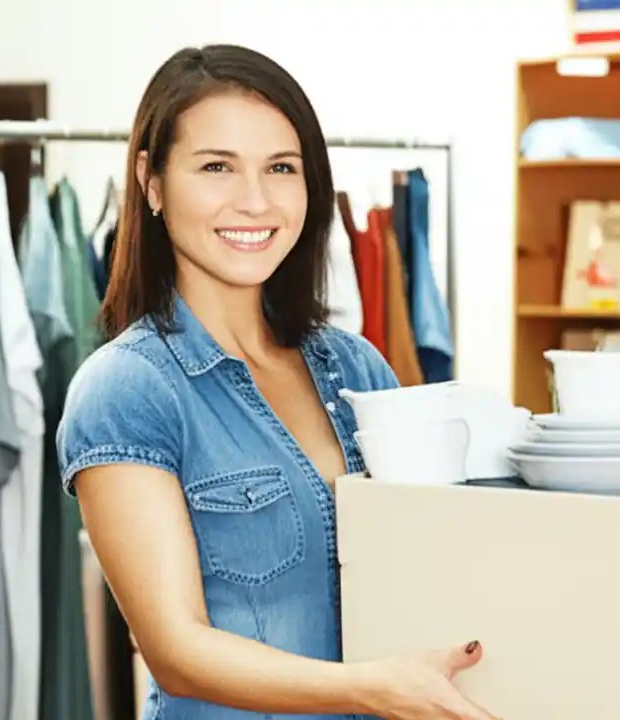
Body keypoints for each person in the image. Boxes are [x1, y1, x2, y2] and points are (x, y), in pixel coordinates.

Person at [56, 45, 497, 720]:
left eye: (281, 168)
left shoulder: (357, 368)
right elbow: (174, 649)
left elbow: (428, 560)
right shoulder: (127, 390)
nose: (255, 201)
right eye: (216, 168)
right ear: (152, 181)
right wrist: (372, 687)